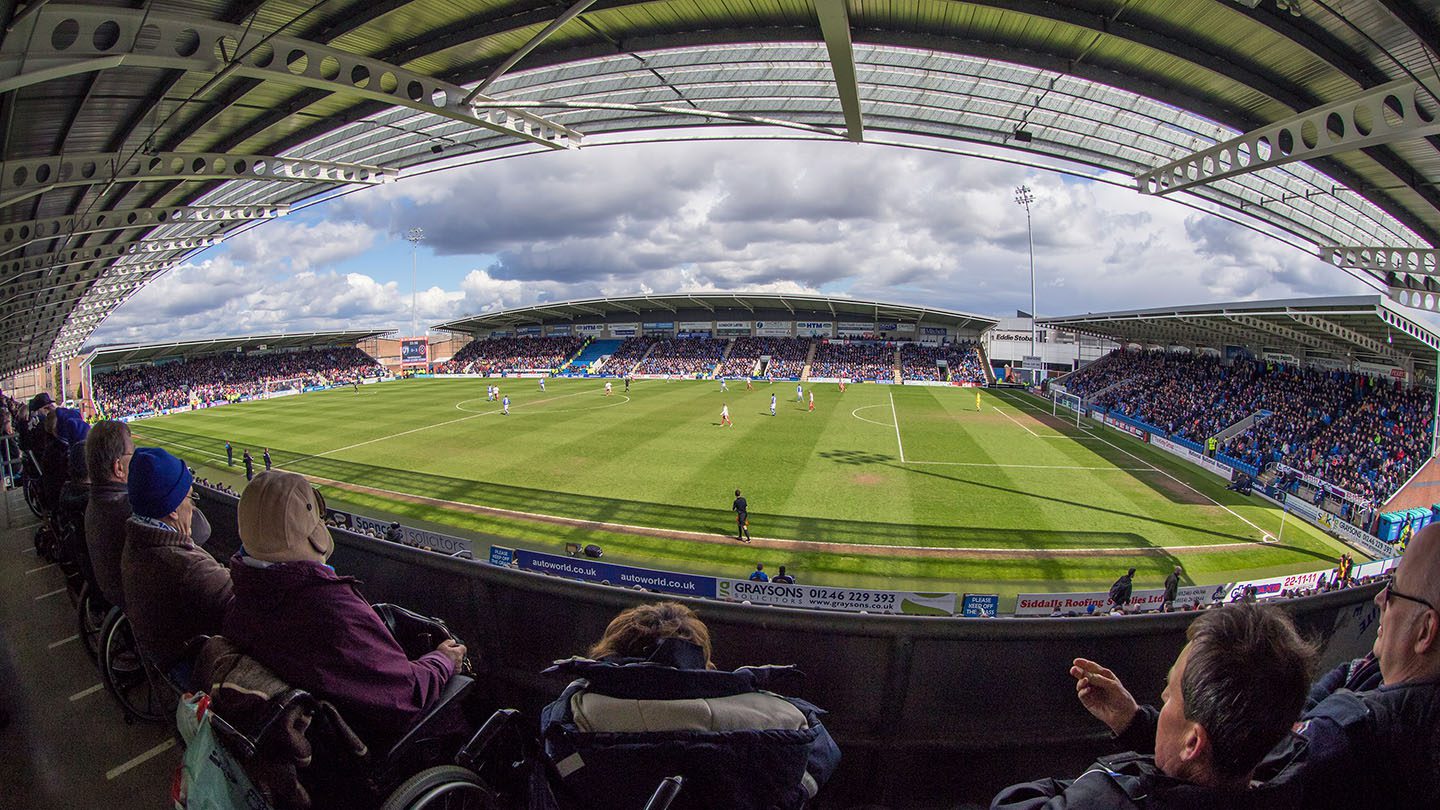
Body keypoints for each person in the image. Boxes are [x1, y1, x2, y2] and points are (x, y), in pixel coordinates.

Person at [223, 470, 467, 750]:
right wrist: (443, 660)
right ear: (314, 535)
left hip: (322, 743)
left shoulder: (240, 599)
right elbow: (405, 695)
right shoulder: (331, 609)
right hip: (375, 744)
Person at [991, 603, 1317, 809]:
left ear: (1192, 742)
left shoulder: (1108, 796)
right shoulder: (1290, 778)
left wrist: (1097, 784)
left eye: (1170, 694)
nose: (1161, 699)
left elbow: (1008, 803)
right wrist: (1133, 722)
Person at [536, 602, 840, 809]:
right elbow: (813, 771)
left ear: (611, 656)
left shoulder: (571, 718)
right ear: (703, 661)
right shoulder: (789, 718)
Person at [1256, 526, 1440, 809]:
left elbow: (1262, 774)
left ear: (1425, 631)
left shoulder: (1344, 741)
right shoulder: (1374, 679)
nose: (1380, 598)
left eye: (1393, 590)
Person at [120, 448, 233, 672]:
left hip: (165, 656)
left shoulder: (135, 541)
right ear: (172, 510)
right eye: (189, 497)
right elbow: (242, 601)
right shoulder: (186, 567)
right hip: (198, 666)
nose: (192, 507)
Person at [86, 421, 210, 611]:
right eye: (131, 454)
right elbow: (201, 529)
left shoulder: (96, 502)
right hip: (149, 610)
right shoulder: (129, 509)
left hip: (119, 602)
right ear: (119, 467)